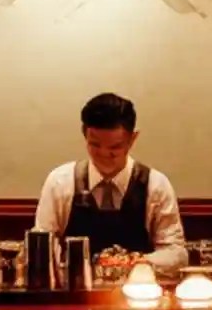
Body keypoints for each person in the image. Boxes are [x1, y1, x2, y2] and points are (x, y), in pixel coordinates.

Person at [33, 92, 187, 272]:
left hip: (139, 290)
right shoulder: (60, 182)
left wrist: (130, 263)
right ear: (85, 136)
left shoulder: (156, 185)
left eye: (115, 147)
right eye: (95, 145)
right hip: (75, 291)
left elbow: (175, 253)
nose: (105, 154)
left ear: (132, 139)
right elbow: (42, 246)